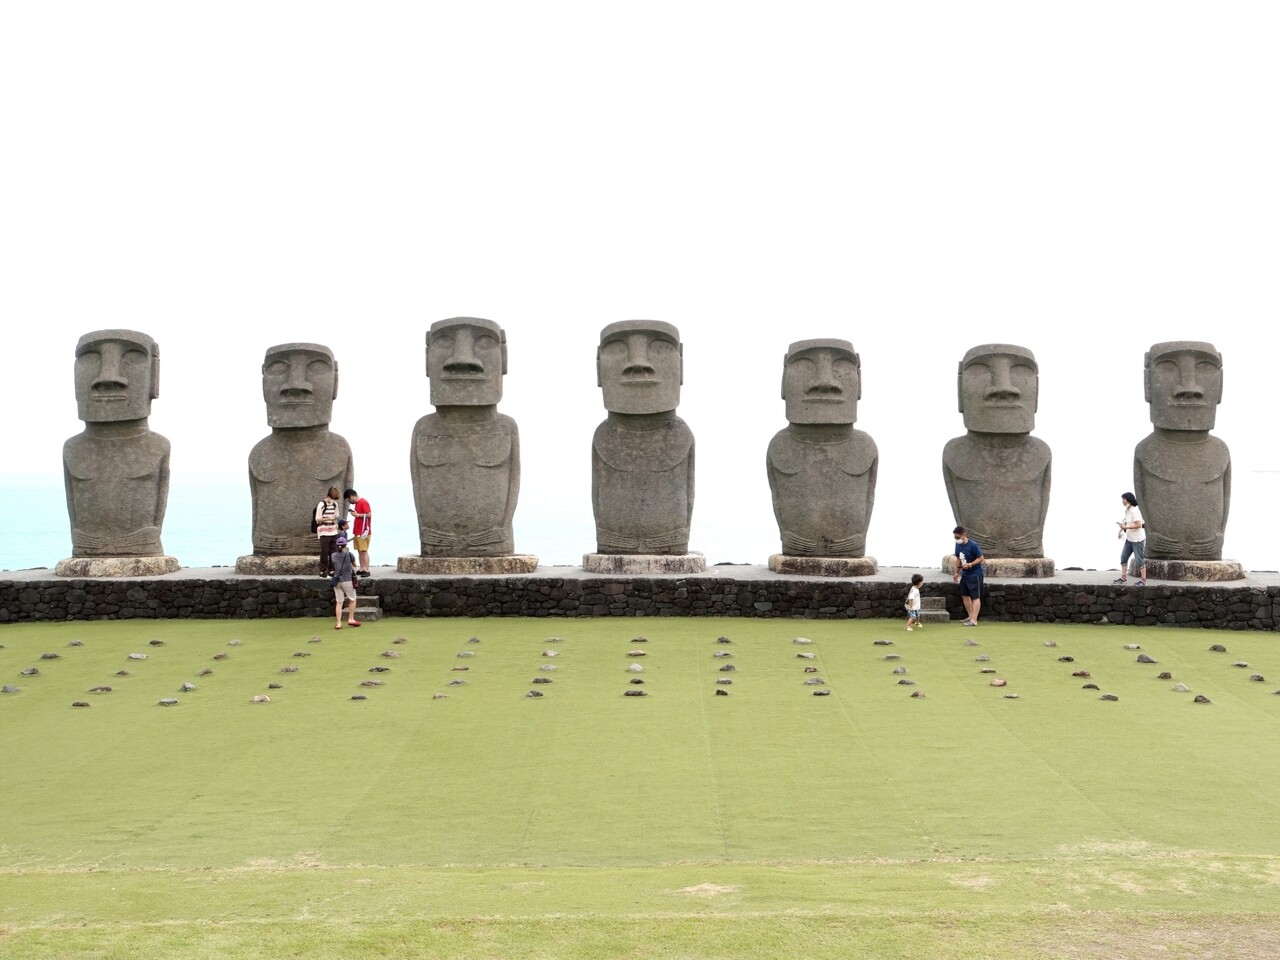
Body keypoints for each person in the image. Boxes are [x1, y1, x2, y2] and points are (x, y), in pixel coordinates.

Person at [952, 526, 984, 626]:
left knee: (975, 596)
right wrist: (956, 572)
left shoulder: (973, 545)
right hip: (965, 574)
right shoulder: (957, 545)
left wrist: (970, 564)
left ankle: (974, 620)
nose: (956, 539)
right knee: (965, 596)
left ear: (963, 535)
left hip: (975, 574)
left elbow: (981, 558)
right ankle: (970, 616)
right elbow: (958, 559)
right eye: (955, 538)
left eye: (958, 537)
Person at [1115, 492, 1148, 586]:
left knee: (1139, 560)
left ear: (1128, 499)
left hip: (1137, 540)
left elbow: (1138, 524)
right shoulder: (1127, 510)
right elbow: (1127, 523)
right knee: (1123, 557)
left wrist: (1125, 527)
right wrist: (1120, 531)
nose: (1122, 501)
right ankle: (1123, 577)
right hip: (1129, 539)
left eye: (1123, 499)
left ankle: (1143, 581)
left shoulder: (1134, 510)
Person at [331, 535, 361, 629]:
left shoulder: (333, 555)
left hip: (336, 581)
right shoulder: (349, 554)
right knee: (352, 599)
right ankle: (351, 618)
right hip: (347, 579)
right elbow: (354, 564)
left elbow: (334, 565)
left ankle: (339, 623)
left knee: (339, 602)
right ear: (345, 545)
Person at [345, 487, 372, 575]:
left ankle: (367, 569)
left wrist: (357, 515)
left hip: (363, 531)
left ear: (351, 497)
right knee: (359, 551)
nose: (349, 502)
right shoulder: (357, 503)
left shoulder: (363, 502)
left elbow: (369, 514)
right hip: (357, 531)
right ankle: (361, 568)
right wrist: (356, 514)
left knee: (364, 550)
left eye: (348, 500)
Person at [314, 487, 341, 576]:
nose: (333, 500)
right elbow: (317, 519)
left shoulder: (335, 504)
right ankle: (323, 570)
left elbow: (337, 515)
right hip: (323, 531)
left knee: (334, 551)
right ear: (329, 496)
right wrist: (328, 518)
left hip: (333, 530)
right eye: (332, 498)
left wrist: (334, 519)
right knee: (324, 551)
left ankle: (332, 569)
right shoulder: (322, 504)